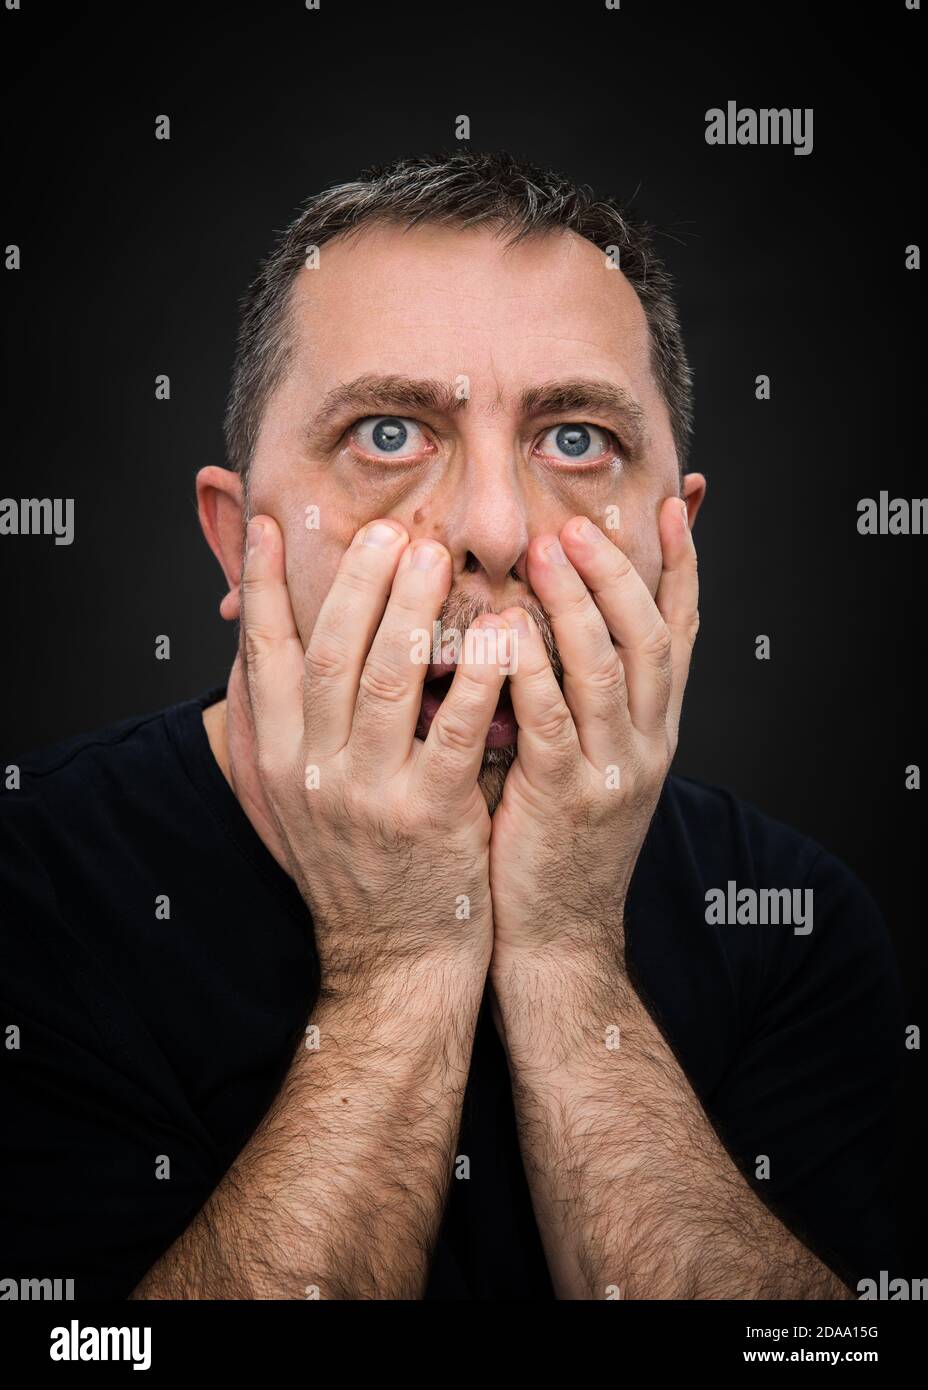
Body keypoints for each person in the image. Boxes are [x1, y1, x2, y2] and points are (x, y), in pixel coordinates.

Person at [0, 151, 902, 1300]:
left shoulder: (795, 926)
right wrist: (403, 963)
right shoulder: (32, 887)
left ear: (678, 543)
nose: (493, 526)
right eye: (388, 432)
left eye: (576, 439)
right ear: (237, 541)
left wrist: (570, 953)